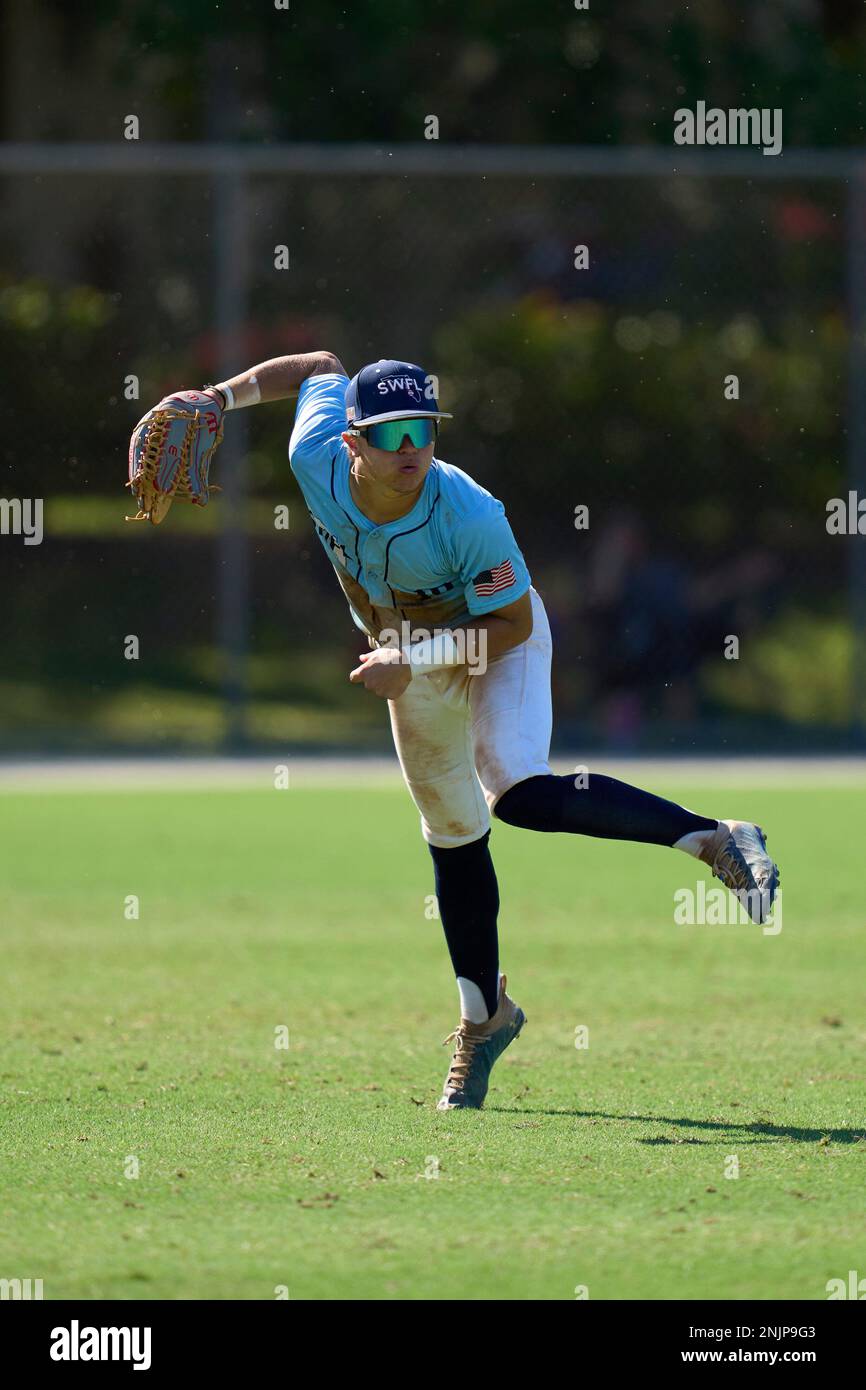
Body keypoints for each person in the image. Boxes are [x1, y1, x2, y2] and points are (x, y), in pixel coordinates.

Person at [200, 351, 780, 1110]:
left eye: (424, 430)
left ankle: (713, 838)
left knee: (516, 789)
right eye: (392, 431)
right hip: (404, 652)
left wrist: (415, 659)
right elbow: (317, 366)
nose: (412, 448)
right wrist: (216, 396)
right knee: (451, 832)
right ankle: (487, 1022)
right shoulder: (313, 452)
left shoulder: (468, 511)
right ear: (352, 443)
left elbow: (507, 623)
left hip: (496, 640)